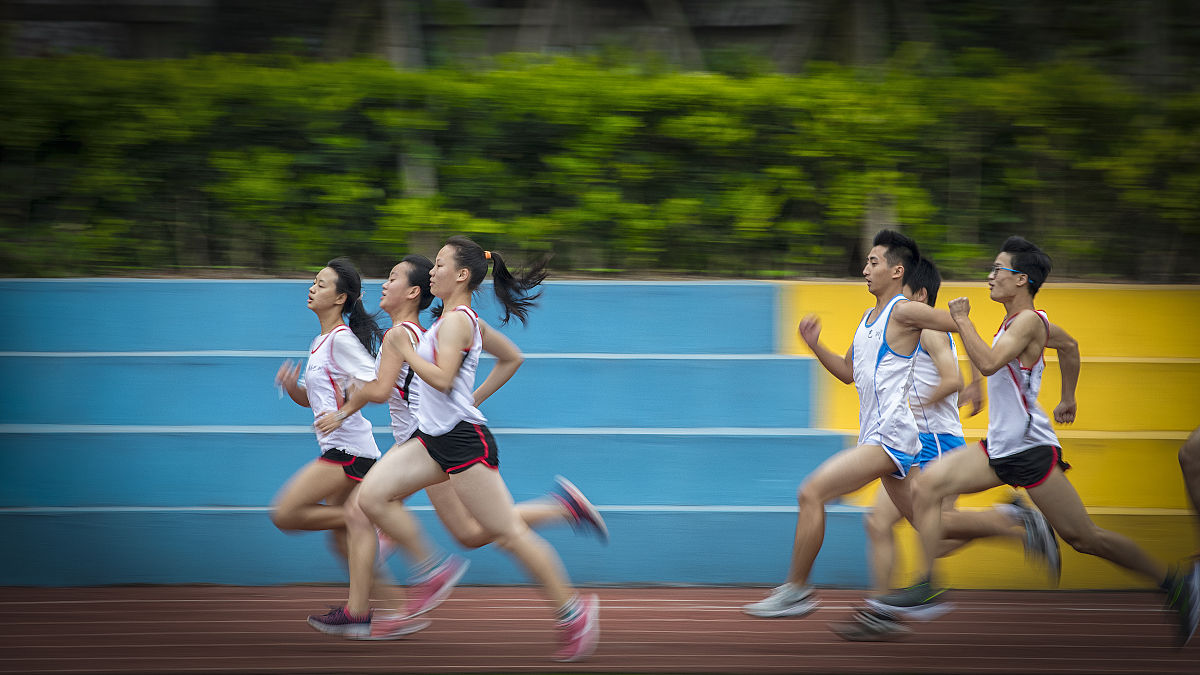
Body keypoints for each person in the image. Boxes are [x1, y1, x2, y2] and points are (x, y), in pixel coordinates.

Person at [875, 235, 1199, 646]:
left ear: (1021, 279)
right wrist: (1068, 396)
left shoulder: (1028, 321)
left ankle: (1174, 583)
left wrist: (962, 320)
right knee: (926, 485)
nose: (990, 276)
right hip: (998, 449)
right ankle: (926, 585)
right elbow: (1070, 346)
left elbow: (991, 363)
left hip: (1030, 452)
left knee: (1085, 538)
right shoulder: (1028, 323)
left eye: (998, 270)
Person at [743, 230, 1058, 622]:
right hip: (880, 435)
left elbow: (958, 325)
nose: (864, 270)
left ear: (897, 271)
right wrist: (815, 345)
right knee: (931, 530)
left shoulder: (903, 311)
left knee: (811, 492)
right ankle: (1008, 522)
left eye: (872, 262)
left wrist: (975, 380)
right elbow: (846, 373)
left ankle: (796, 590)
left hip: (891, 437)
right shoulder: (867, 320)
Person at [307, 255, 607, 639]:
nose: (433, 272)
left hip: (455, 441)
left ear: (461, 275)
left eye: (439, 265)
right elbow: (508, 359)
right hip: (433, 441)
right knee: (455, 528)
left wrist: (366, 390)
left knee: (505, 534)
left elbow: (439, 381)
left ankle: (570, 611)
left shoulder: (443, 326)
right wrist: (469, 399)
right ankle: (558, 511)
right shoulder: (444, 324)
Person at [863, 257, 1056, 597]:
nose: (895, 304)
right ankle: (882, 608)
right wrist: (975, 383)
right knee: (884, 523)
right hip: (916, 440)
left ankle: (1014, 522)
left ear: (920, 295)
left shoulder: (928, 328)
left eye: (902, 296)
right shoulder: (916, 329)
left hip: (933, 439)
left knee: (933, 533)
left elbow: (950, 377)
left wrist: (915, 404)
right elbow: (969, 354)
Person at [270, 257, 402, 627]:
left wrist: (344, 414)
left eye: (321, 284)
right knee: (342, 540)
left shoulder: (342, 340)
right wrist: (294, 387)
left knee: (286, 512)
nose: (312, 288)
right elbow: (317, 401)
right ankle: (396, 609)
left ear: (341, 298)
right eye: (313, 282)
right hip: (341, 448)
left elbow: (376, 384)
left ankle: (367, 521)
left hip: (350, 451)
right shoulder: (320, 342)